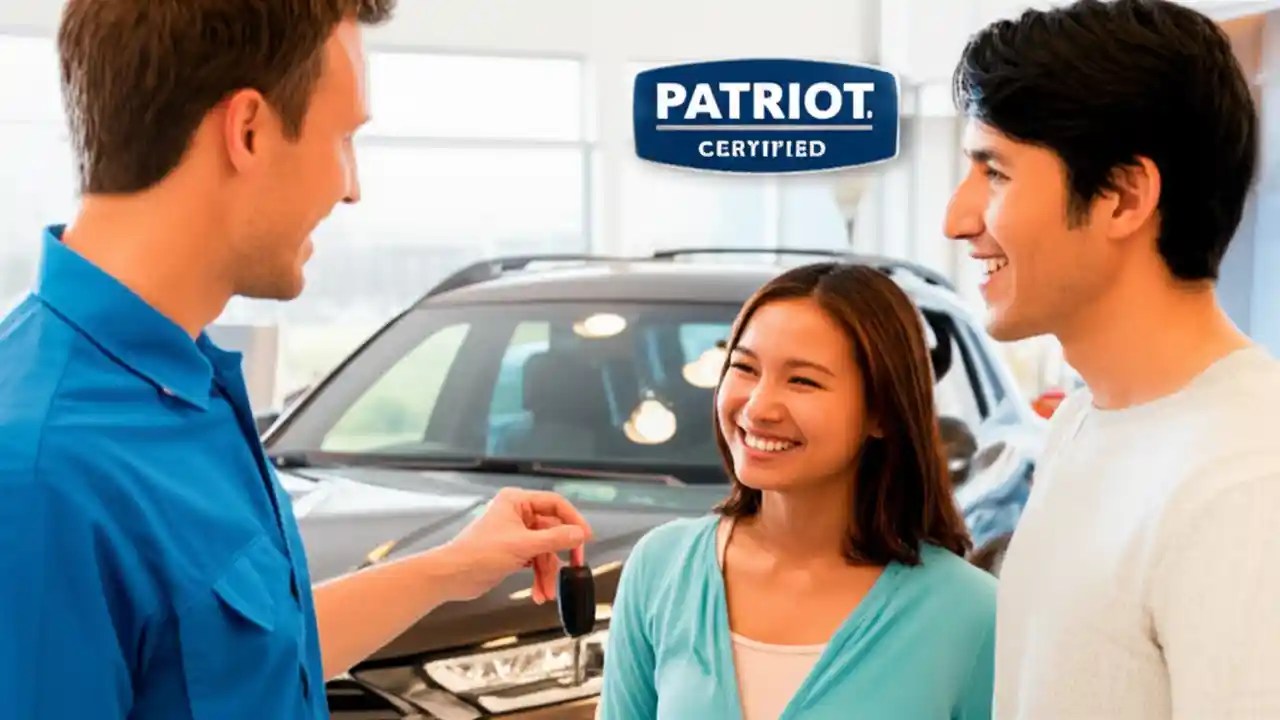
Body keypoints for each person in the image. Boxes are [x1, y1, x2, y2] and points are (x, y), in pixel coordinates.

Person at [0, 2, 592, 719]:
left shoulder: (186, 388)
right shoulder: (35, 472)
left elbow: (244, 660)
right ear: (248, 131)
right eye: (343, 138)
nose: (352, 186)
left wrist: (449, 569)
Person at [946, 1, 1280, 717]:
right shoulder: (1081, 420)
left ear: (1123, 197)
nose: (958, 219)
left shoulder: (1248, 480)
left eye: (995, 173)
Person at [597, 262, 997, 720]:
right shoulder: (661, 568)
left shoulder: (970, 613)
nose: (759, 405)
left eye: (802, 380)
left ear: (882, 413)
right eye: (744, 367)